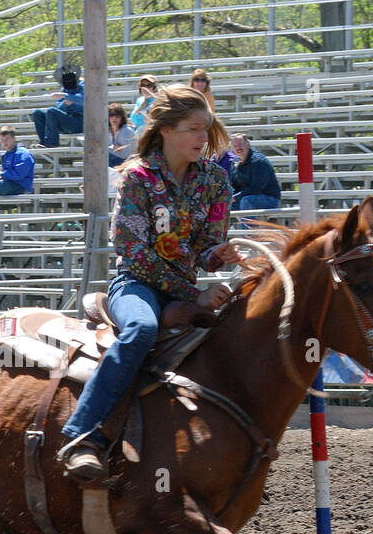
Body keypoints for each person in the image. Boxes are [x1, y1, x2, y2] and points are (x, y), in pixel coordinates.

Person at [56, 84, 241, 482]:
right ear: (167, 130)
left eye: (206, 129)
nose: (202, 138)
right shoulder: (137, 178)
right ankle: (82, 434)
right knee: (141, 329)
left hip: (187, 285)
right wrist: (195, 293)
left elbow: (207, 246)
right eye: (193, 128)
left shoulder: (215, 181)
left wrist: (219, 255)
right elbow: (133, 252)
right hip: (136, 285)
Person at [220, 134, 282, 215]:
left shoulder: (258, 161)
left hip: (269, 198)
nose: (238, 148)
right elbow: (233, 185)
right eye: (235, 146)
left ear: (248, 144)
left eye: (240, 144)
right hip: (246, 198)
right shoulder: (235, 162)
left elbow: (256, 189)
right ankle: (224, 228)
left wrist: (235, 197)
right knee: (222, 204)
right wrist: (226, 196)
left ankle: (248, 228)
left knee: (246, 201)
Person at [31, 69, 84, 147]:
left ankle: (52, 144)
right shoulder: (65, 88)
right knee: (37, 113)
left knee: (51, 111)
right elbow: (59, 108)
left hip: (80, 122)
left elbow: (83, 99)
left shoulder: (84, 85)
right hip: (67, 120)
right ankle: (43, 142)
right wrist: (65, 104)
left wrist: (66, 96)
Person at [107, 102, 137, 167]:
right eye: (111, 115)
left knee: (106, 156)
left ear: (122, 117)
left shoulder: (127, 131)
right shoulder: (107, 131)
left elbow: (124, 154)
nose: (114, 118)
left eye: (117, 115)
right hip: (116, 161)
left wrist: (110, 149)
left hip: (128, 163)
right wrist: (113, 148)